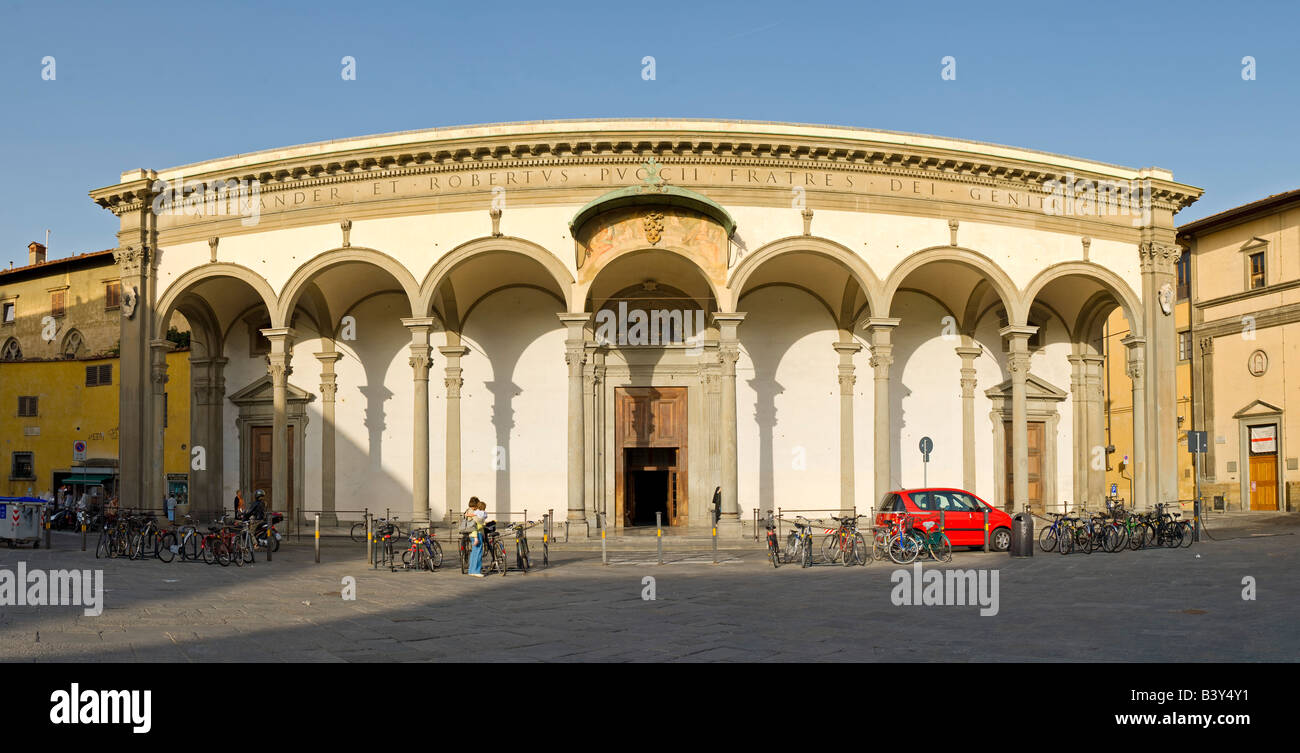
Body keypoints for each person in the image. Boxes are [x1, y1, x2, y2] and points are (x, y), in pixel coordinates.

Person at [465, 498, 485, 577]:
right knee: (478, 552)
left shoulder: (468, 510)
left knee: (474, 552)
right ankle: (476, 571)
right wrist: (482, 517)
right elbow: (479, 521)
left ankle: (471, 570)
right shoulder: (472, 511)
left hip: (472, 533)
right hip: (476, 533)